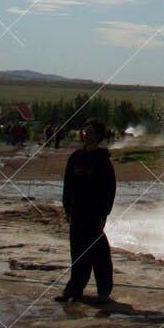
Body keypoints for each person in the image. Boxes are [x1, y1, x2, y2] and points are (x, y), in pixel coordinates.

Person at [56, 119, 117, 305]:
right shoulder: (75, 157)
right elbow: (68, 184)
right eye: (85, 131)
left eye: (90, 132)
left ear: (98, 137)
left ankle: (104, 291)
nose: (86, 135)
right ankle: (74, 289)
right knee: (77, 252)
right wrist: (67, 208)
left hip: (94, 214)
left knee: (99, 253)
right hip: (77, 212)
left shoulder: (103, 161)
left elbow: (109, 189)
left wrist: (104, 214)